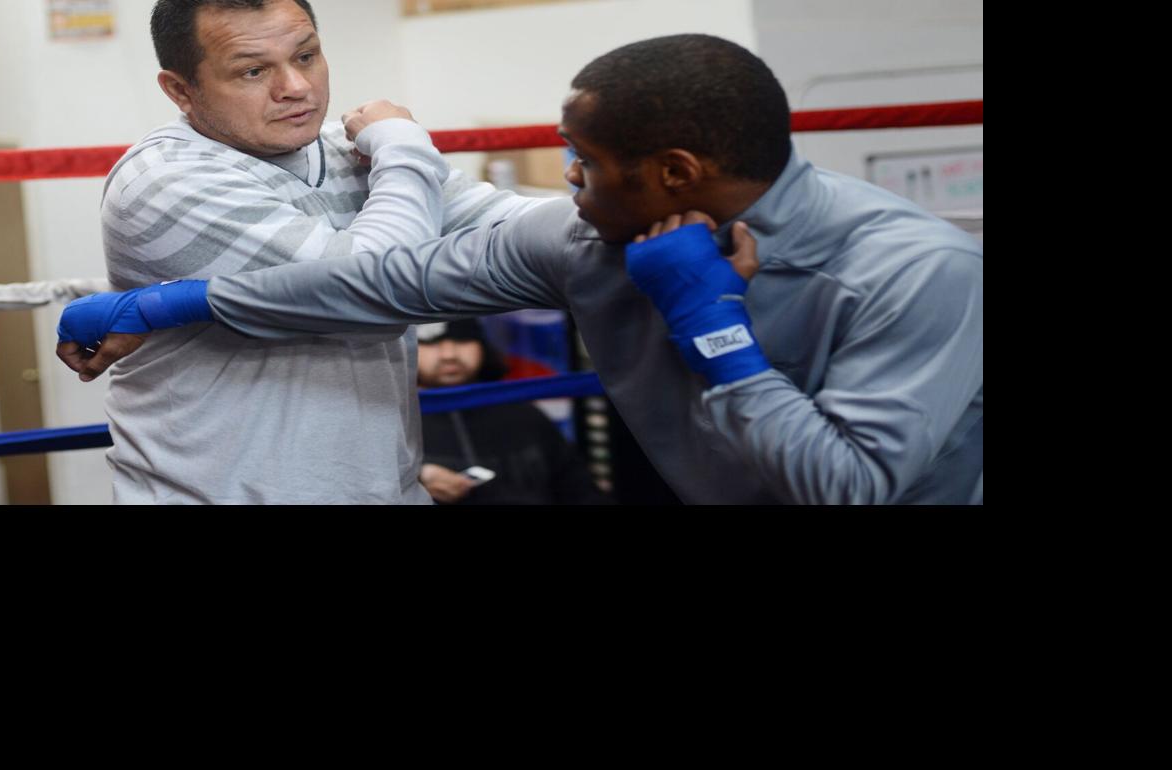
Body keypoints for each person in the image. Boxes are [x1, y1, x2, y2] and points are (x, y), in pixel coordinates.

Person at [61, 33, 983, 505]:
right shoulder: (585, 238)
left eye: (583, 159)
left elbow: (847, 487)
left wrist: (717, 330)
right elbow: (380, 280)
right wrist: (173, 301)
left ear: (673, 175)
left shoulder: (914, 272)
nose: (567, 179)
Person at [57, 0, 539, 503]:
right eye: (253, 70)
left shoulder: (351, 151)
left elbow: (512, 223)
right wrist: (402, 144)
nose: (297, 87)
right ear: (181, 90)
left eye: (306, 56)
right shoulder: (165, 180)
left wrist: (622, 224)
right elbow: (375, 288)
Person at [415, 320, 610, 505]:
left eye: (463, 339)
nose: (449, 354)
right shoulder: (398, 422)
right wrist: (415, 478)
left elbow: (579, 491)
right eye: (431, 342)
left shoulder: (525, 414)